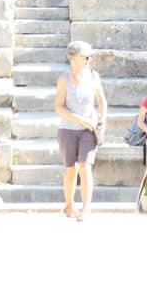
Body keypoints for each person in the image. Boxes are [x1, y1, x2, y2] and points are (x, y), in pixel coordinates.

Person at [55, 40, 107, 221]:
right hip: (68, 129)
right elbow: (59, 107)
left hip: (89, 129)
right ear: (74, 58)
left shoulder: (94, 77)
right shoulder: (63, 79)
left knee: (85, 167)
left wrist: (102, 121)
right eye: (86, 56)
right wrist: (80, 120)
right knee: (71, 169)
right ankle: (69, 205)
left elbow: (102, 101)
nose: (89, 59)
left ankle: (86, 209)